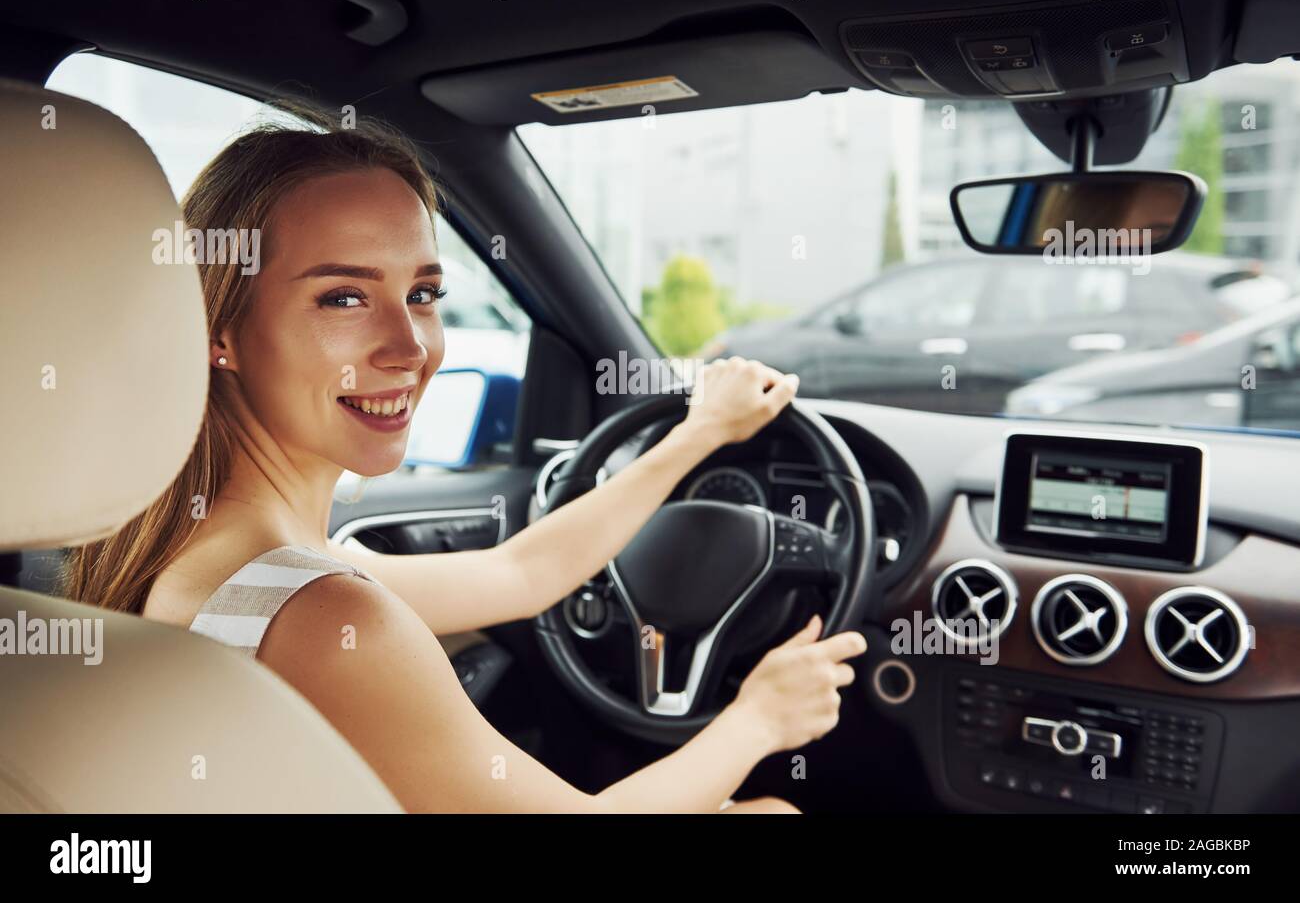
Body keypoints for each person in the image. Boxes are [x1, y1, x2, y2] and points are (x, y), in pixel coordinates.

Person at [64, 103, 867, 812]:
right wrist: (759, 719)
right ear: (221, 330)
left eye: (420, 293)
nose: (409, 346)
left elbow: (522, 574)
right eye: (343, 296)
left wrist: (699, 433)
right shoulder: (329, 618)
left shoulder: (203, 555)